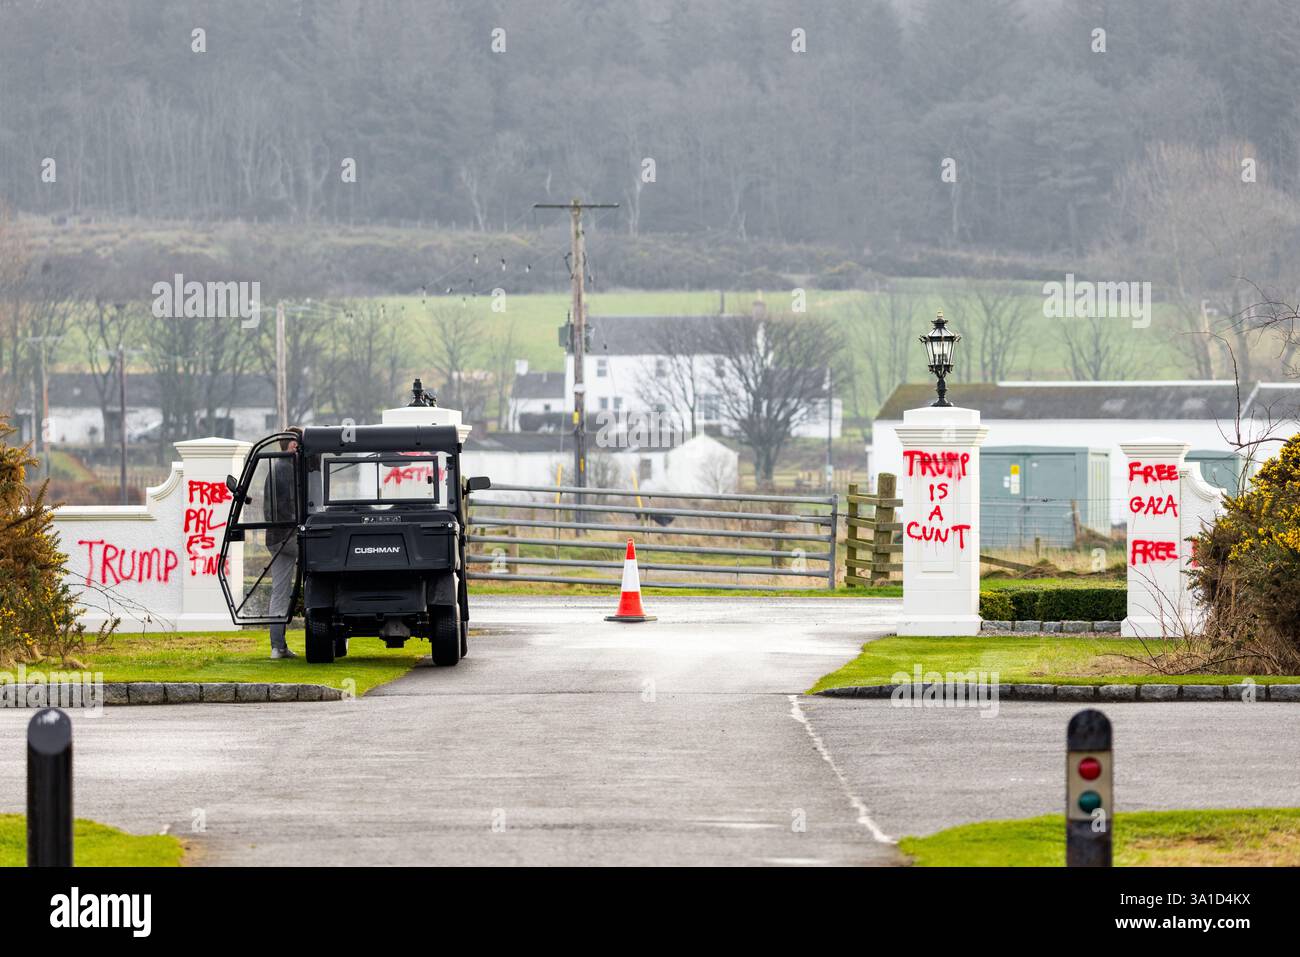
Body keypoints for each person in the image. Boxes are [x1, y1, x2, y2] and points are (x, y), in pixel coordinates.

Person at [265, 428, 302, 659]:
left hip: (276, 538)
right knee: (324, 559)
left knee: (280, 592)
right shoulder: (287, 468)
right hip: (287, 537)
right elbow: (291, 506)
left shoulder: (277, 467)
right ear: (293, 446)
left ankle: (277, 647)